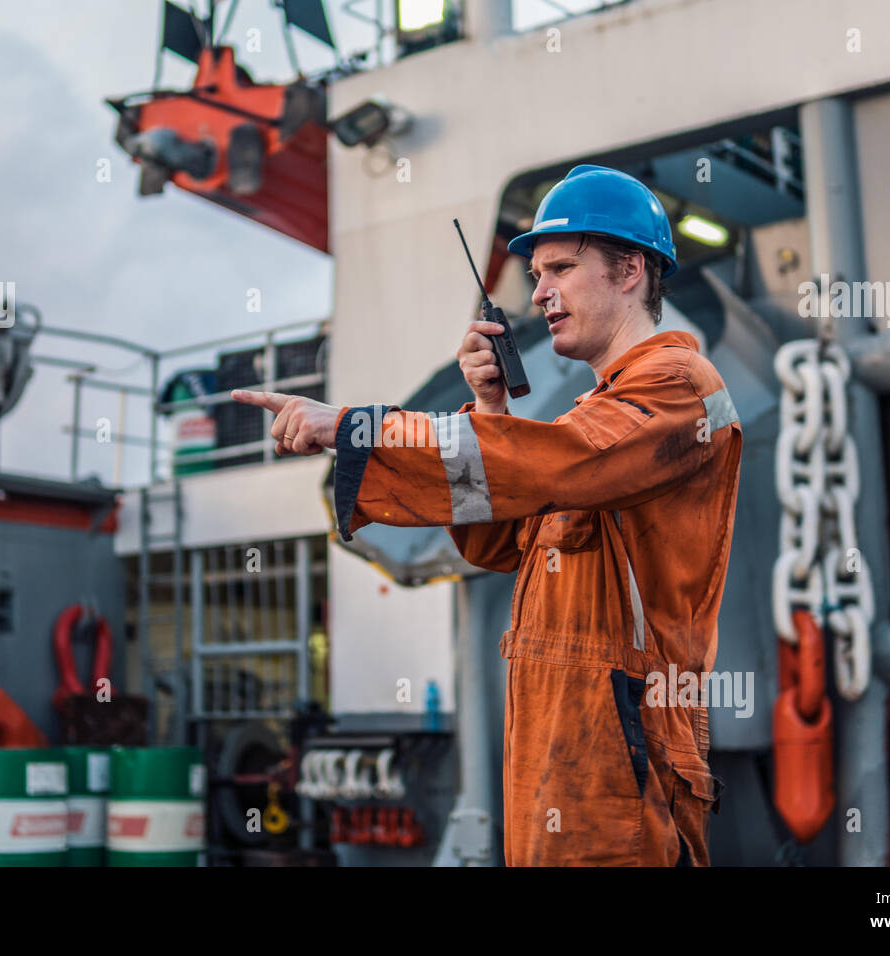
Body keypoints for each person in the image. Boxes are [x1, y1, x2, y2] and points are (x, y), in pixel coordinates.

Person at [232, 165, 741, 865]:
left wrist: (354, 428)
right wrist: (494, 411)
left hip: (621, 757)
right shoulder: (598, 415)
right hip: (567, 748)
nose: (539, 292)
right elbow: (495, 545)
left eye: (561, 267)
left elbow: (562, 464)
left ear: (629, 269)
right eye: (536, 273)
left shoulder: (678, 387)